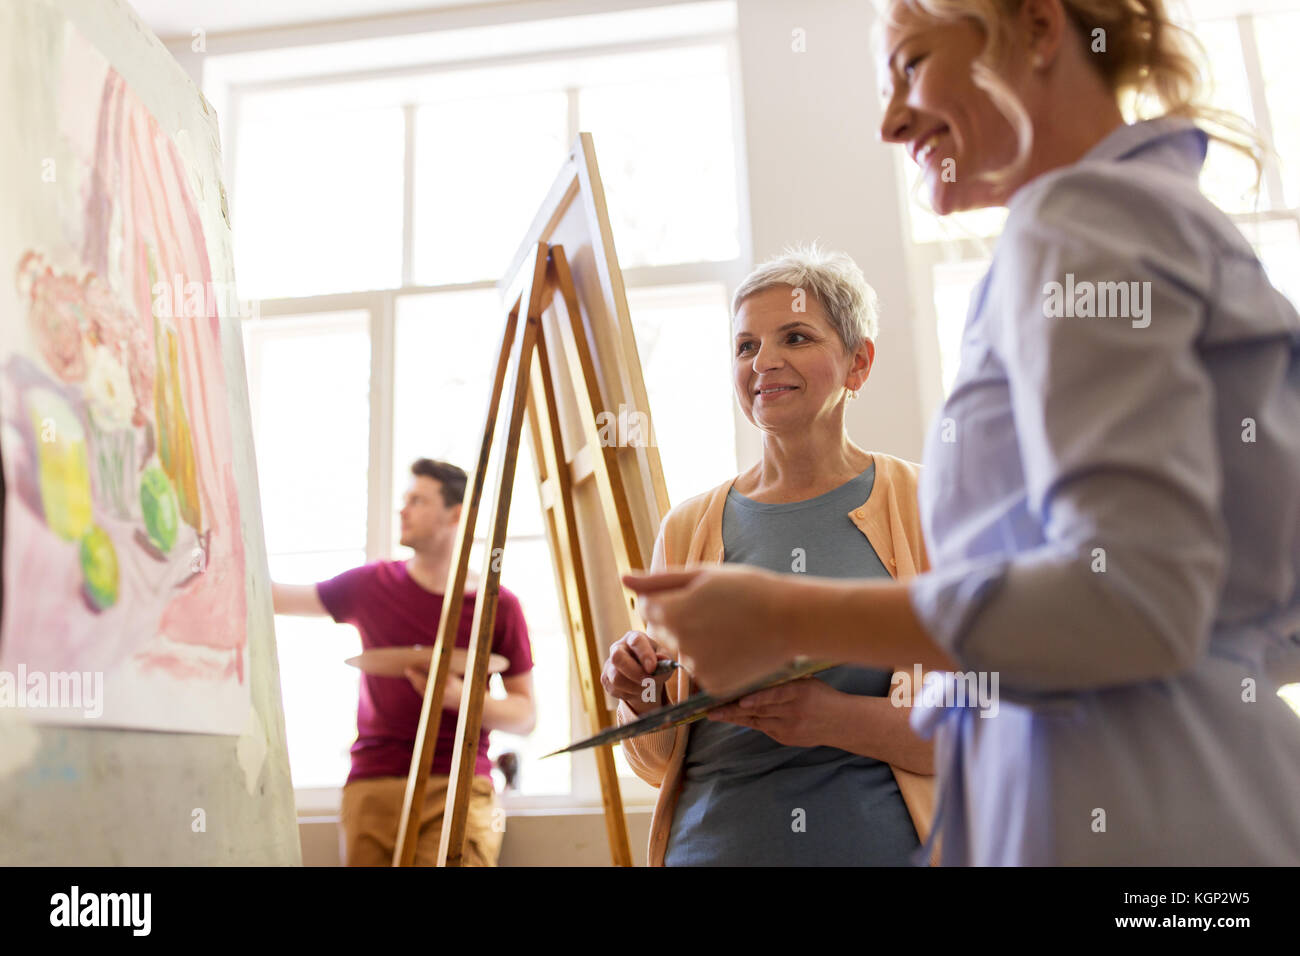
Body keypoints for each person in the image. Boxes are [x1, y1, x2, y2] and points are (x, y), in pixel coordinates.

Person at [624, 0, 1300, 865]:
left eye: (910, 65)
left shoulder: (1080, 225)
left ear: (1039, 26)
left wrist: (787, 614)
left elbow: (1134, 596)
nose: (889, 119)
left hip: (1136, 815)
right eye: (746, 345)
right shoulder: (1142, 215)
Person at [601, 245, 937, 866]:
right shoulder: (689, 527)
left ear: (858, 363)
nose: (765, 362)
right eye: (746, 346)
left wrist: (829, 718)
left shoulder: (927, 506)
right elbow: (657, 760)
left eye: (796, 336)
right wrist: (643, 695)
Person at [273, 458, 536, 866]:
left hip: (457, 784)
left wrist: (458, 698)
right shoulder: (370, 585)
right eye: (404, 499)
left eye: (417, 500)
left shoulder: (497, 605)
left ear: (456, 514)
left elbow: (525, 716)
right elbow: (274, 597)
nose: (403, 509)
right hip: (372, 784)